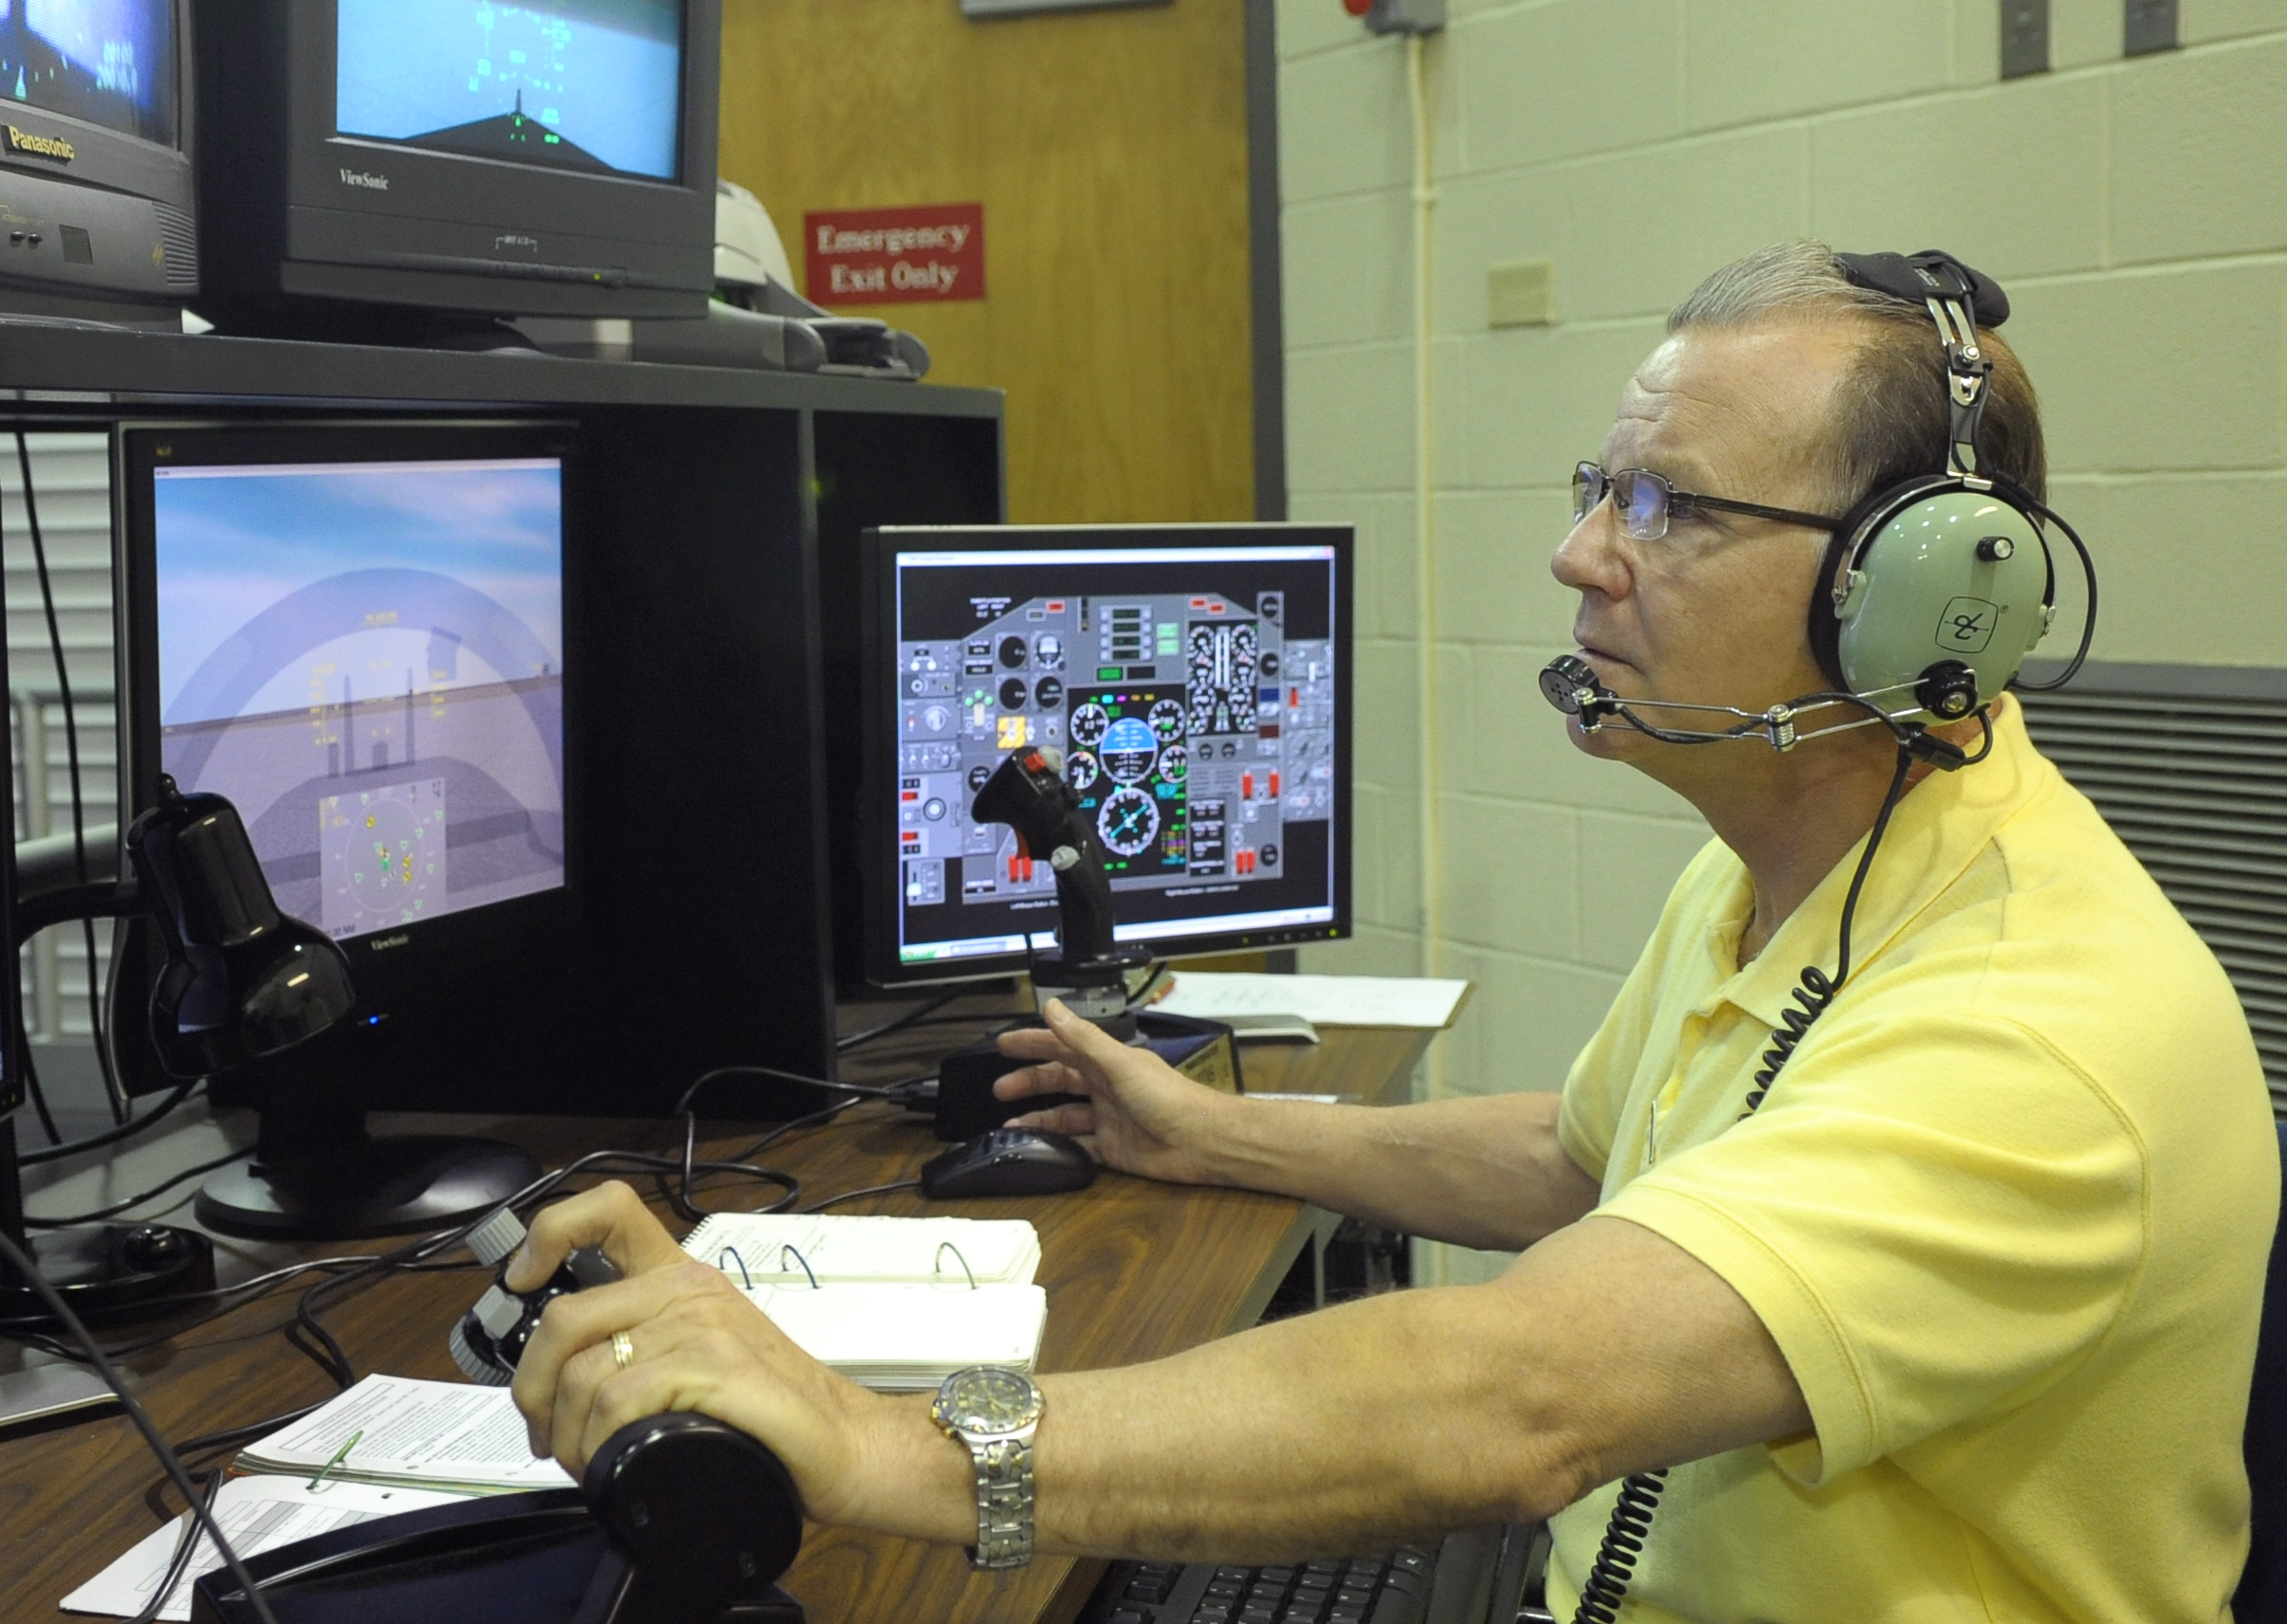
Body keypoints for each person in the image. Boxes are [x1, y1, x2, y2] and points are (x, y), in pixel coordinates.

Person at [505, 242, 2277, 1621]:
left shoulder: (2035, 1020)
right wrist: (1204, 1125)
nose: (1582, 556)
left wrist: (880, 1439)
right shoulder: (1799, 859)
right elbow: (1593, 1155)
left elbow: (1519, 1400)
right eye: (1604, 483)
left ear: (1913, 597)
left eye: (1666, 506)